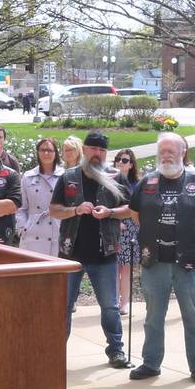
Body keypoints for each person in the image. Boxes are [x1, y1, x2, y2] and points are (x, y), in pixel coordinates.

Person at [125, 133, 195, 384]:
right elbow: (135, 214)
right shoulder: (147, 182)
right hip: (154, 262)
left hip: (190, 263)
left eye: (171, 151)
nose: (166, 155)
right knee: (153, 318)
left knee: (192, 317)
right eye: (162, 151)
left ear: (183, 152)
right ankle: (151, 364)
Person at [49, 131, 132, 367]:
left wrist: (110, 212)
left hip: (104, 253)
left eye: (102, 150)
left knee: (110, 306)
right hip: (70, 254)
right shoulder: (69, 177)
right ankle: (55, 354)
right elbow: (54, 210)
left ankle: (116, 351)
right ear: (84, 150)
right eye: (93, 149)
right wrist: (75, 210)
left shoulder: (116, 177)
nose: (98, 154)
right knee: (63, 306)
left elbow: (131, 209)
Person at [16, 137, 64, 255]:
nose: (46, 153)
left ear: (56, 153)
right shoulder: (28, 177)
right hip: (32, 233)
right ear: (38, 152)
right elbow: (21, 207)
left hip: (56, 230)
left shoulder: (65, 176)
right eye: (42, 150)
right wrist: (22, 228)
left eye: (50, 150)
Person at [113, 148, 141, 315]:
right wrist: (115, 222)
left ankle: (125, 302)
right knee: (114, 268)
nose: (120, 163)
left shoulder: (137, 185)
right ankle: (114, 301)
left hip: (131, 229)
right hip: (112, 228)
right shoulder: (109, 181)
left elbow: (139, 207)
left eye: (124, 160)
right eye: (118, 159)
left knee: (126, 268)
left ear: (131, 164)